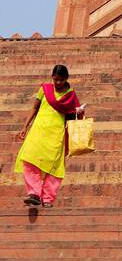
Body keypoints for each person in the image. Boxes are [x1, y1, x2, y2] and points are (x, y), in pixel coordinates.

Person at [14, 64, 82, 208]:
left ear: (66, 79)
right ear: (52, 77)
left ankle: (48, 198)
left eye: (61, 80)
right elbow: (35, 107)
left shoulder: (70, 95)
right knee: (29, 159)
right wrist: (25, 126)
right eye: (55, 79)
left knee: (55, 166)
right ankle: (34, 193)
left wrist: (79, 114)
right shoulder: (44, 89)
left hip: (56, 134)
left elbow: (73, 117)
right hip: (38, 130)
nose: (58, 83)